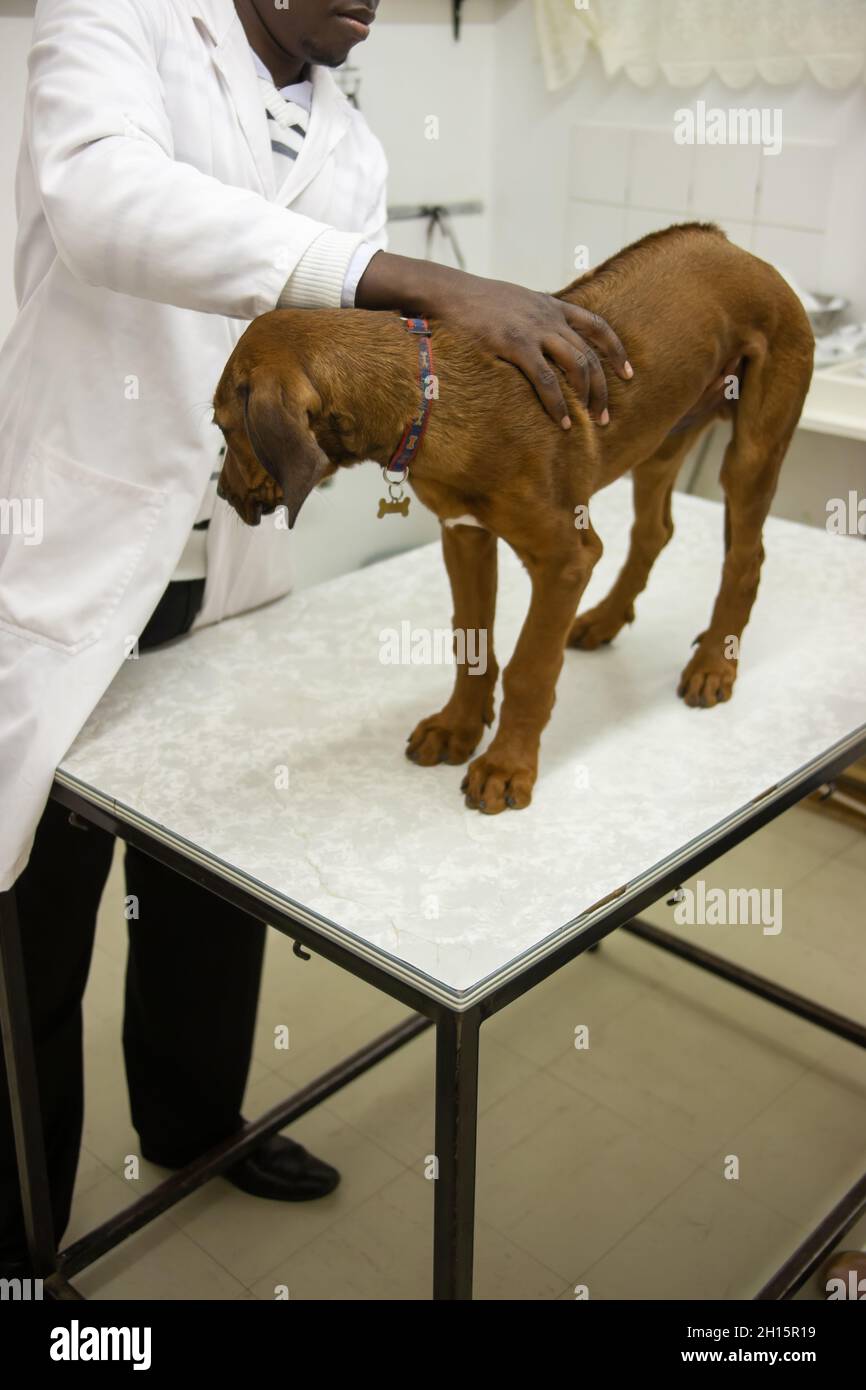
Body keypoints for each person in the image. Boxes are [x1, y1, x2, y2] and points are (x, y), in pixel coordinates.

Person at [0, 0, 673, 1277]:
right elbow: (100, 197)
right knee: (35, 904)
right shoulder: (119, 21)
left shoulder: (350, 150)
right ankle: (15, 1233)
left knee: (210, 873)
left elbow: (324, 350)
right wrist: (417, 278)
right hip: (72, 541)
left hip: (234, 558)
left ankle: (195, 1124)